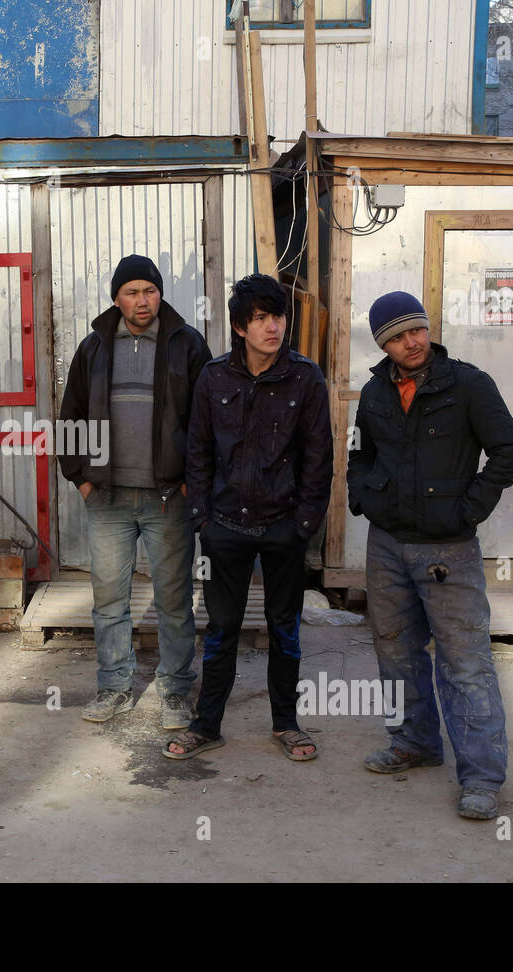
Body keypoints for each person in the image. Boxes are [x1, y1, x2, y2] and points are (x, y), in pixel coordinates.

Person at [347, 291, 513, 819]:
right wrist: (364, 497)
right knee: (395, 651)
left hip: (449, 548)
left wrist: (467, 510)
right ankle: (414, 743)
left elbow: (508, 451)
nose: (412, 342)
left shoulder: (468, 384)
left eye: (417, 330)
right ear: (384, 344)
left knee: (465, 662)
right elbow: (361, 452)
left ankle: (483, 778)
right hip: (387, 546)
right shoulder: (375, 392)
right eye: (398, 336)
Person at [165, 274, 332, 760]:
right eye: (260, 318)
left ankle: (286, 723)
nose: (272, 327)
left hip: (284, 527)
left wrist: (304, 525)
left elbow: (318, 458)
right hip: (225, 529)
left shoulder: (306, 378)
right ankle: (207, 724)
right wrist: (203, 519)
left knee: (285, 628)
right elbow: (196, 449)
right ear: (241, 326)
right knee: (221, 627)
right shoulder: (215, 377)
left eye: (277, 316)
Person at [58, 254, 211, 728]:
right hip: (107, 500)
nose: (141, 301)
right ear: (116, 298)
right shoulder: (94, 347)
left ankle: (175, 693)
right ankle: (114, 687)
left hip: (168, 498)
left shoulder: (187, 344)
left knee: (173, 600)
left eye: (149, 290)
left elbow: (208, 419)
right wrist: (80, 478)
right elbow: (71, 418)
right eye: (131, 292)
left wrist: (192, 480)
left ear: (159, 294)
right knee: (108, 600)